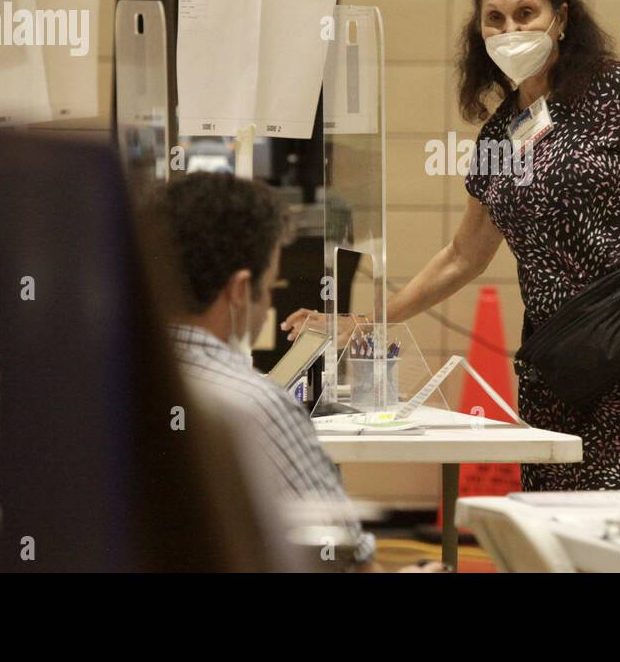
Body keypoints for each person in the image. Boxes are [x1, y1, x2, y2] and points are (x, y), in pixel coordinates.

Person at [286, 0, 620, 491]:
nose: (511, 31)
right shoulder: (501, 133)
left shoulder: (618, 91)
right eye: (495, 19)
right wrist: (369, 323)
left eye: (526, 13)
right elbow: (463, 255)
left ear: (562, 17)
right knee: (553, 511)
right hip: (555, 355)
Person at [143, 172, 444, 572]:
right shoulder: (258, 407)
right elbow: (344, 561)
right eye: (269, 287)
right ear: (238, 290)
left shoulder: (95, 388)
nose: (268, 305)